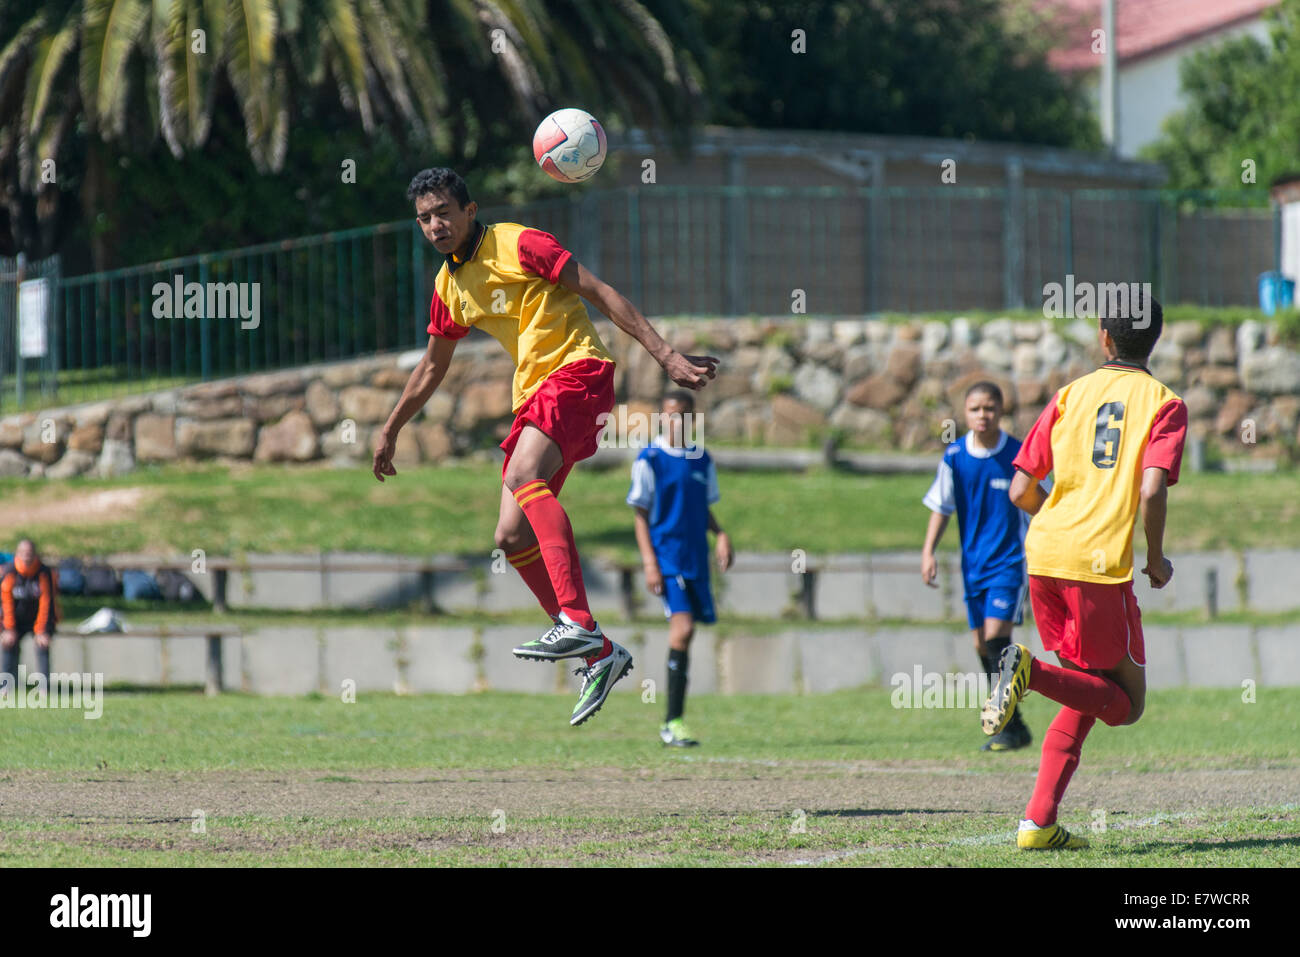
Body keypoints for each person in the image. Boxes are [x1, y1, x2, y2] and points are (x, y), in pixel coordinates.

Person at [373, 167, 718, 727]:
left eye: (442, 213)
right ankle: (601, 653)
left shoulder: (521, 242)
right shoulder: (447, 287)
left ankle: (576, 621)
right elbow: (433, 366)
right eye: (424, 218)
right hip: (536, 396)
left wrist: (666, 356)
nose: (434, 225)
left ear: (469, 209)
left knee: (521, 475)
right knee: (509, 536)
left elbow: (601, 293)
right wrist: (391, 427)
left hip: (579, 374)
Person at [984, 291, 1186, 850]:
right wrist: (1154, 558)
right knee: (1126, 705)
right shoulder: (1164, 403)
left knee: (1088, 695)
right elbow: (1151, 488)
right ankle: (1030, 671)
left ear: (1104, 336)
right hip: (1098, 571)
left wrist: (1058, 518)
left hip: (1044, 557)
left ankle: (1038, 824)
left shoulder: (1069, 394)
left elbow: (1021, 486)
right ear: (1158, 338)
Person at [921, 382, 1036, 751]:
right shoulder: (955, 457)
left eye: (989, 408)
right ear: (965, 413)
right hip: (973, 567)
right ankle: (1014, 725)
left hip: (1010, 565)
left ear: (1001, 410)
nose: (982, 415)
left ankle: (1005, 723)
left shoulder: (1020, 455)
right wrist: (928, 552)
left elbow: (1042, 504)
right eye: (975, 409)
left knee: (996, 641)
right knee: (982, 646)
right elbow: (942, 506)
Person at [627, 391, 733, 747]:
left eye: (684, 416)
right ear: (660, 418)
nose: (677, 422)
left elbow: (702, 507)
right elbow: (640, 515)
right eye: (671, 415)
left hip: (695, 560)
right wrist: (649, 563)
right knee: (682, 630)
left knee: (689, 635)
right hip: (667, 558)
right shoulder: (651, 459)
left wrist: (720, 535)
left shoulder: (702, 460)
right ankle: (671, 723)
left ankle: (675, 721)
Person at [1, 539, 59, 688]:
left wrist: (43, 630)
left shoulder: (44, 572)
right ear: (18, 554)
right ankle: (6, 687)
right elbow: (4, 602)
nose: (27, 556)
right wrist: (8, 629)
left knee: (42, 644)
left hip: (38, 621)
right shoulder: (9, 571)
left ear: (35, 554)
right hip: (14, 621)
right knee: (8, 644)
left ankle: (44, 688)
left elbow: (47, 602)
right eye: (24, 553)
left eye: (30, 553)